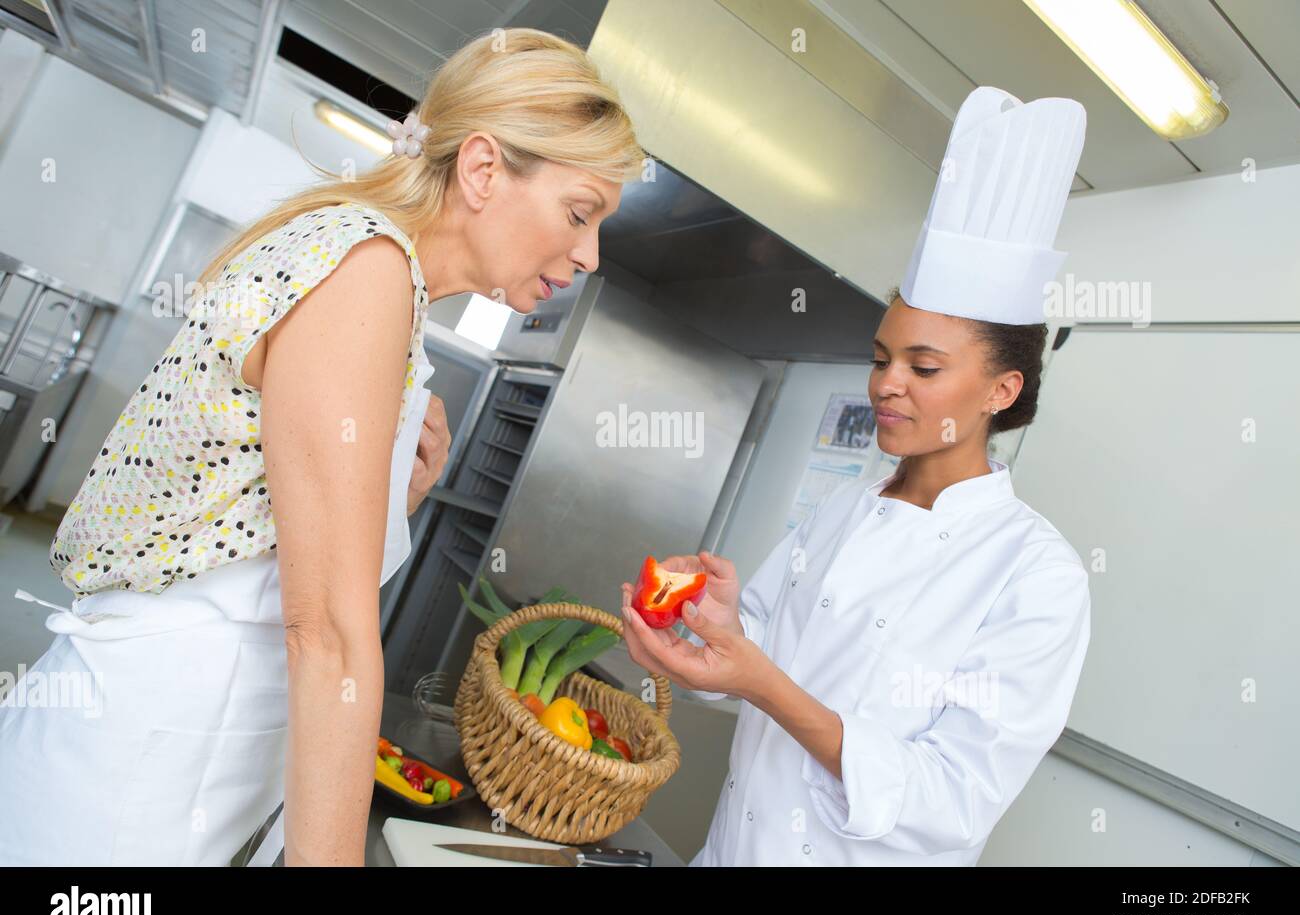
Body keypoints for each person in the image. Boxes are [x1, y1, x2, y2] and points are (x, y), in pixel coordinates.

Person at [1, 27, 642, 866]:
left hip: (198, 739)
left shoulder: (379, 274)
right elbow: (329, 632)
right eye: (580, 213)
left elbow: (260, 531)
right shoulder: (365, 270)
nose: (589, 255)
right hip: (145, 757)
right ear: (483, 170)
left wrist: (391, 497)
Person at [619, 86, 1092, 865]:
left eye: (924, 366)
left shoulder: (1037, 575)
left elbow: (949, 803)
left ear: (1000, 392)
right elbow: (748, 666)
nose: (886, 384)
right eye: (880, 358)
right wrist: (711, 626)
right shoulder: (846, 505)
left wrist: (764, 681)